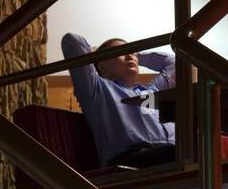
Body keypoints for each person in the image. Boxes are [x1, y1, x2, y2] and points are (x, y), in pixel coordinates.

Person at [61, 33, 177, 167]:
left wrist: (136, 54)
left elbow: (177, 63)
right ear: (102, 66)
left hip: (169, 153)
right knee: (191, 154)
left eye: (132, 53)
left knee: (198, 149)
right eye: (121, 52)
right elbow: (72, 41)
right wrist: (94, 57)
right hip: (130, 161)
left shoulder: (151, 91)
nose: (129, 56)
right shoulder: (97, 89)